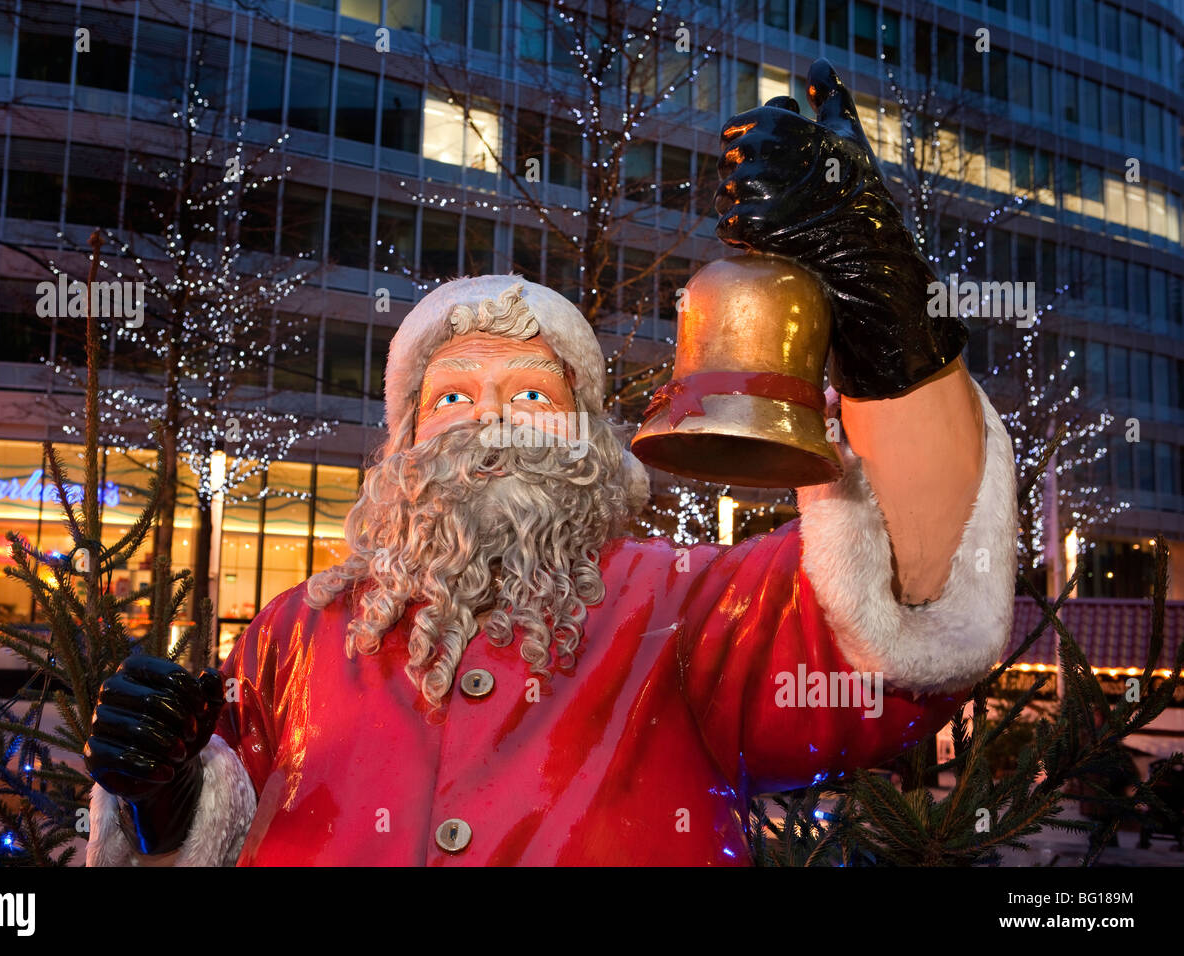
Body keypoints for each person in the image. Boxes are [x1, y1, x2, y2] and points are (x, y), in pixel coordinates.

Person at [83, 60, 1018, 866]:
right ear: (402, 442)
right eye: (452, 397)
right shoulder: (297, 632)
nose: (491, 422)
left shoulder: (684, 611)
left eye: (531, 395)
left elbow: (912, 605)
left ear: (588, 440)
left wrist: (888, 318)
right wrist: (156, 788)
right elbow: (210, 820)